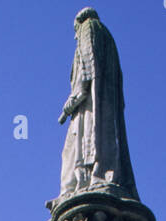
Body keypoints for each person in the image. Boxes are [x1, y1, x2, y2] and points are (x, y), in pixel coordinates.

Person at [57, 8, 139, 202]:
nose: (75, 37)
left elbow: (86, 71)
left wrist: (72, 101)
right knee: (103, 139)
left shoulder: (88, 29)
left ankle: (81, 183)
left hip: (89, 107)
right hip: (105, 105)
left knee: (73, 150)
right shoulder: (108, 38)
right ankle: (95, 177)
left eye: (75, 32)